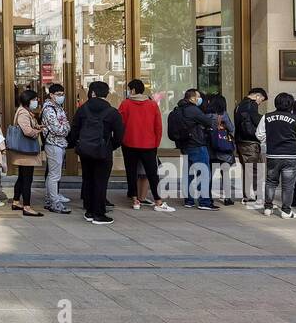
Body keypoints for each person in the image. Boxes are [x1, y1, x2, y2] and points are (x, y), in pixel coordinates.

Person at [117, 80, 173, 212]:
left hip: (129, 144)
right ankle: (158, 200)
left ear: (133, 90)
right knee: (152, 173)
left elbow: (120, 124)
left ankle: (135, 200)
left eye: (129, 89)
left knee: (131, 173)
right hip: (149, 145)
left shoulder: (125, 104)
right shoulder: (152, 105)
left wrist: (122, 139)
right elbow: (158, 126)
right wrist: (155, 143)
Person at [256, 92, 296, 219]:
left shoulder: (266, 117)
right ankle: (286, 211)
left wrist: (268, 141)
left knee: (270, 182)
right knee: (288, 185)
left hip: (273, 155)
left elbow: (259, 134)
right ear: (291, 105)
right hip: (291, 156)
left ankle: (268, 207)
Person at [75, 81, 121, 225]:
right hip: (103, 151)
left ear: (93, 93)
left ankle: (89, 211)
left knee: (88, 179)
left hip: (85, 151)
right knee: (101, 182)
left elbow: (75, 129)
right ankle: (99, 214)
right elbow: (119, 135)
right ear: (106, 94)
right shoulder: (112, 112)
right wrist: (109, 146)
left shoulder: (82, 110)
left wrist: (81, 144)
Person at [168, 88, 215, 209]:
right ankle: (204, 201)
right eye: (198, 97)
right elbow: (208, 122)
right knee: (203, 173)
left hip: (184, 145)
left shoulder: (178, 110)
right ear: (193, 98)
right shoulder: (193, 110)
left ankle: (189, 200)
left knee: (188, 174)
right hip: (197, 145)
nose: (200, 99)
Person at [7, 89, 44, 217]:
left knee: (22, 177)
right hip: (26, 152)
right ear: (28, 100)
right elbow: (27, 131)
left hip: (24, 152)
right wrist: (38, 132)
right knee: (27, 179)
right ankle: (27, 206)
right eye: (34, 99)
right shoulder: (23, 112)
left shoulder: (25, 111)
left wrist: (38, 126)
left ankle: (16, 201)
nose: (36, 102)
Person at [39, 83, 72, 213]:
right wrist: (65, 127)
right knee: (54, 175)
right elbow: (58, 129)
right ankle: (54, 202)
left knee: (52, 174)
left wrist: (64, 127)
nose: (61, 97)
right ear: (51, 95)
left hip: (59, 143)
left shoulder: (58, 108)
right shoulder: (49, 109)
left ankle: (49, 199)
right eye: (58, 94)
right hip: (53, 144)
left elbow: (66, 125)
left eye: (62, 94)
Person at [233, 88, 267, 208]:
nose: (260, 103)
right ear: (257, 96)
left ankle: (248, 195)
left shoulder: (239, 105)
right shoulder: (251, 105)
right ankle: (251, 196)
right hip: (250, 142)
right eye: (261, 100)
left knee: (248, 169)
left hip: (240, 141)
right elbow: (256, 120)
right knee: (254, 170)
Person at [201, 93, 236, 205]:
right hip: (223, 148)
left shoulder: (206, 115)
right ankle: (227, 198)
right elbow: (232, 129)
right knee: (225, 173)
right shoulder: (223, 115)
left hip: (210, 148)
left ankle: (208, 197)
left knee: (209, 173)